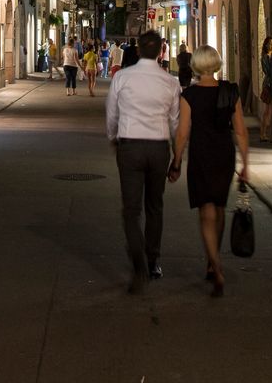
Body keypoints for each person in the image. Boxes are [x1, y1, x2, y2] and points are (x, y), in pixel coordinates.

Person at [168, 44, 248, 298]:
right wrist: (246, 164)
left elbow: (182, 132)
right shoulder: (230, 91)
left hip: (201, 154)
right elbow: (241, 130)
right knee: (220, 207)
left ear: (196, 65)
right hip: (224, 154)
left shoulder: (189, 96)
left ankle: (216, 265)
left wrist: (176, 161)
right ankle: (213, 261)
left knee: (206, 211)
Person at [106, 30, 181, 294]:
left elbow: (112, 114)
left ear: (138, 50)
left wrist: (113, 138)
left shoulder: (122, 78)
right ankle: (153, 261)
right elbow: (175, 123)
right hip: (158, 148)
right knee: (154, 207)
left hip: (130, 146)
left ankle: (138, 264)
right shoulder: (171, 82)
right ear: (162, 51)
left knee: (131, 209)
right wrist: (177, 159)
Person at [259, 36, 272, 141]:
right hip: (269, 85)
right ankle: (264, 133)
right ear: (266, 45)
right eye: (271, 44)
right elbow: (269, 71)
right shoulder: (266, 57)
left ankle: (269, 133)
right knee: (268, 110)